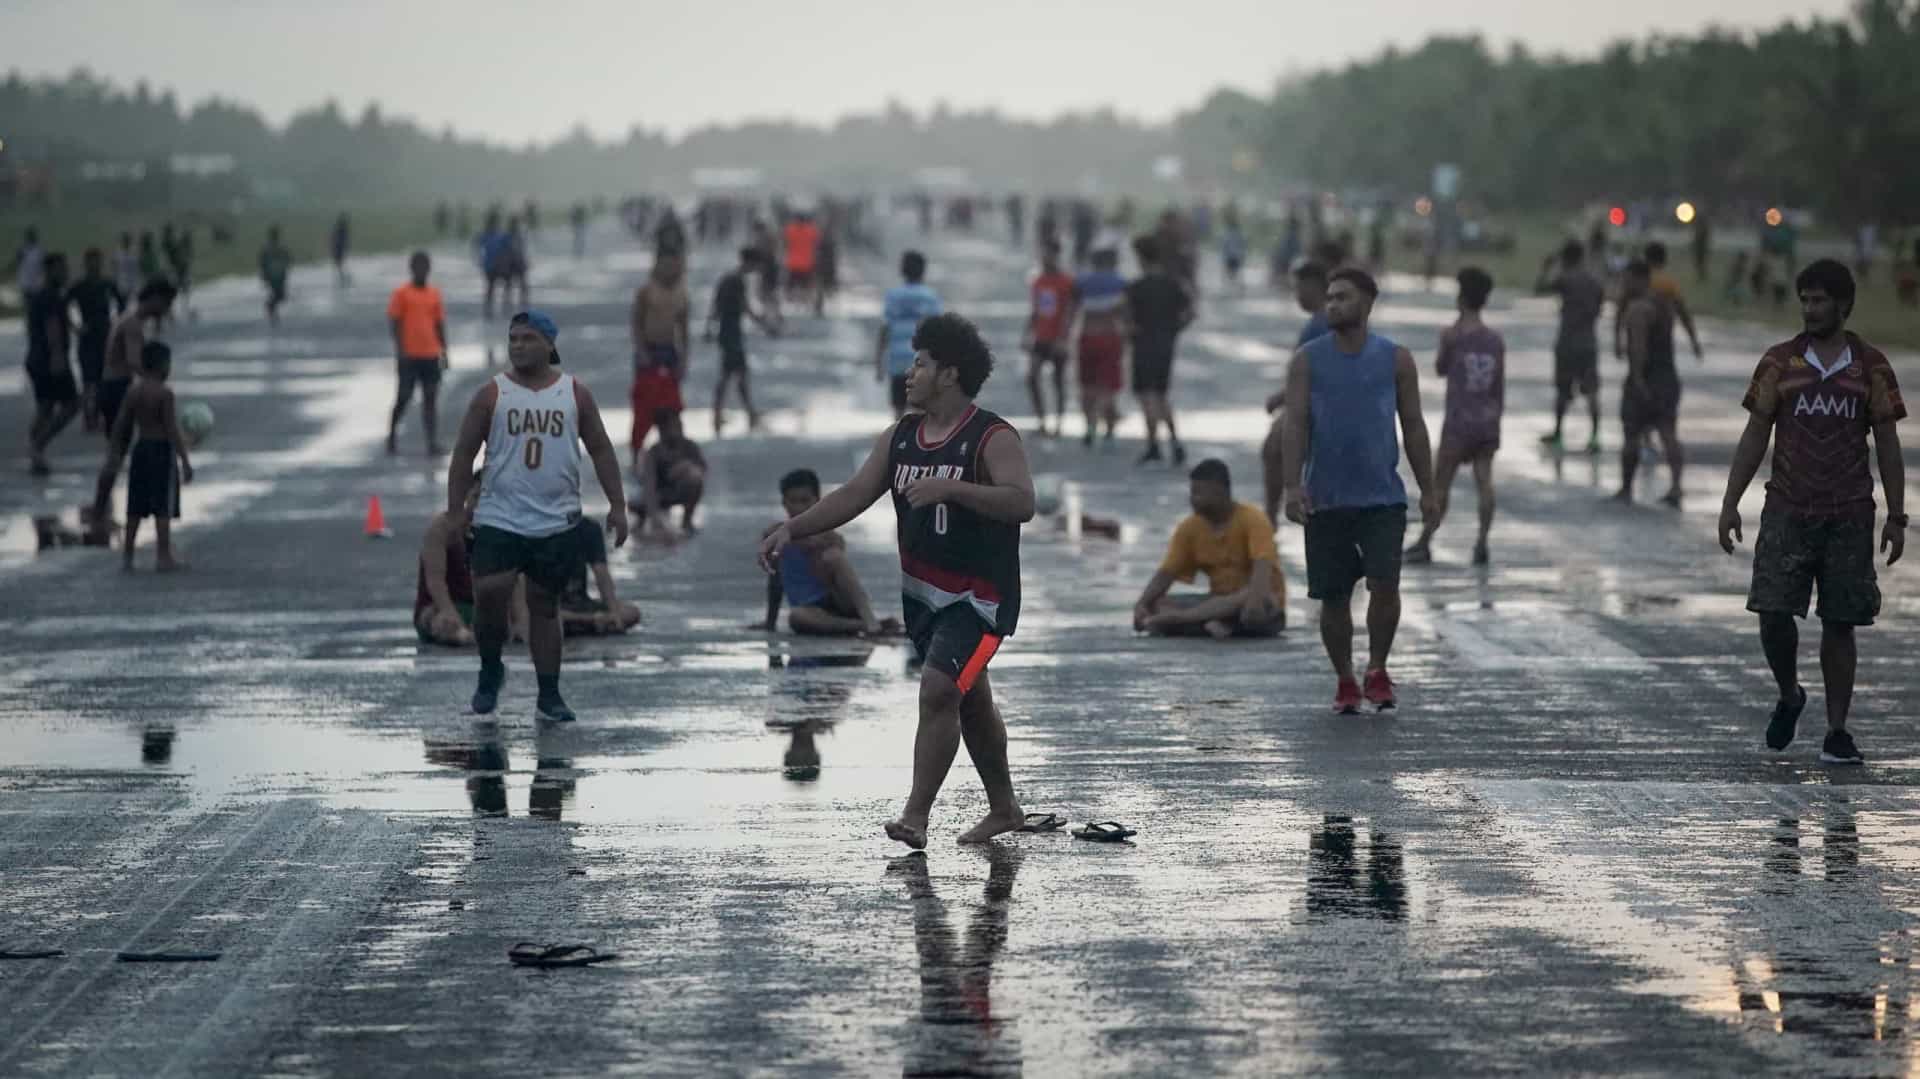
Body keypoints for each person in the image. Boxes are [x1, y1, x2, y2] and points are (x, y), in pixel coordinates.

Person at [759, 312, 1033, 848]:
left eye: (920, 363)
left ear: (949, 375)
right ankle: (1004, 808)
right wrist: (791, 529)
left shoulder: (992, 436)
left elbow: (1022, 502)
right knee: (968, 697)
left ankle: (915, 816)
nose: (909, 373)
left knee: (937, 691)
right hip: (925, 600)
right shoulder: (901, 438)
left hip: (982, 603)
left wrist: (953, 490)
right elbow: (851, 496)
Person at [1718, 259, 1905, 767]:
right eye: (1804, 299)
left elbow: (1888, 442)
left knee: (1840, 622)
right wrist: (1730, 502)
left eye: (1819, 300)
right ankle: (1789, 693)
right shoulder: (1779, 363)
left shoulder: (1871, 367)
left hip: (1848, 513)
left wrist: (1897, 514)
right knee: (1773, 612)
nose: (1810, 309)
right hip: (1787, 509)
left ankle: (1838, 731)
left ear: (1843, 305)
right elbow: (1755, 433)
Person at [447, 310, 629, 723]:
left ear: (550, 345)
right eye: (513, 339)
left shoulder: (574, 393)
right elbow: (463, 453)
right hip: (499, 515)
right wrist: (456, 509)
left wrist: (617, 505)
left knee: (544, 605)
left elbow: (601, 448)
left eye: (528, 339)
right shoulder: (491, 394)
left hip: (555, 518)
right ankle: (490, 669)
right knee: (490, 594)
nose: (518, 346)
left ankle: (549, 693)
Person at [1281, 269, 1436, 714]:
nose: (1332, 305)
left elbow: (1413, 425)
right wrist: (1293, 487)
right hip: (1325, 498)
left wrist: (1429, 490)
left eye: (1342, 298)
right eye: (1329, 298)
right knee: (1333, 598)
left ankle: (1378, 668)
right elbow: (1295, 424)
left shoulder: (1395, 359)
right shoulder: (1308, 360)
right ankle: (1346, 678)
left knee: (1385, 583)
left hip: (1382, 498)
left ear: (1368, 303)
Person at [1405, 267, 1504, 566]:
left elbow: (1440, 368)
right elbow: (1499, 383)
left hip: (1459, 421)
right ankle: (1482, 542)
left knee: (1439, 485)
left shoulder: (1452, 335)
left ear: (1461, 297)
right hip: (1487, 419)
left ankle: (1425, 542)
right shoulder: (1495, 340)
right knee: (1484, 481)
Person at [1133, 459, 1285, 639]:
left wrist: (1253, 601)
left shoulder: (1253, 519)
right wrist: (1142, 604)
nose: (1192, 499)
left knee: (1252, 606)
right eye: (1192, 492)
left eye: (1198, 493)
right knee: (1157, 604)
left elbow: (1262, 570)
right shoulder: (1190, 527)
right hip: (1215, 602)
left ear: (1221, 492)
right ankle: (1217, 625)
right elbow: (1166, 573)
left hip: (1256, 601)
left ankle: (1185, 621)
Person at [757, 468, 900, 637]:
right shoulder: (775, 536)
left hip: (838, 603)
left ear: (817, 501)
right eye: (793, 501)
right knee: (796, 617)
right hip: (810, 611)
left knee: (834, 556)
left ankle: (869, 620)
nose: (799, 507)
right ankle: (863, 625)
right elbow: (775, 581)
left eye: (805, 501)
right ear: (784, 503)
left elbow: (840, 573)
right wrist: (770, 622)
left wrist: (814, 547)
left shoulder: (828, 536)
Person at [104, 342, 194, 571]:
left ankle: (128, 556)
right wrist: (185, 460)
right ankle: (163, 556)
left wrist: (114, 451)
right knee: (162, 506)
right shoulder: (165, 393)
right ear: (162, 365)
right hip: (161, 451)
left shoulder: (134, 391)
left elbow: (121, 423)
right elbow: (172, 428)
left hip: (141, 449)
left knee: (135, 505)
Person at [1261, 260, 1332, 523]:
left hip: (1312, 406)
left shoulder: (1322, 323)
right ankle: (1272, 514)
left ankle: (1271, 515)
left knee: (1273, 448)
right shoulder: (1318, 320)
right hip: (1306, 401)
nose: (1297, 295)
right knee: (1273, 450)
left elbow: (1315, 371)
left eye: (1299, 288)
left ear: (1315, 286)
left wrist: (1282, 398)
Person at [1614, 260, 1685, 507]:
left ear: (1638, 279)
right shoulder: (1663, 303)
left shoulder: (1638, 309)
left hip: (1646, 378)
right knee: (1668, 432)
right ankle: (1676, 486)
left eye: (1626, 279)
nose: (1623, 284)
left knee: (1631, 433)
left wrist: (1636, 380)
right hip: (1668, 377)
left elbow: (1638, 348)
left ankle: (1626, 488)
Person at [1127, 234, 1196, 466]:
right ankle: (1175, 441)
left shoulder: (1136, 287)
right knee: (1162, 395)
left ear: (1141, 258)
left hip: (1143, 345)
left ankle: (1153, 444)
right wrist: (1175, 329)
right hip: (1166, 346)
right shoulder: (1173, 284)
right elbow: (1190, 312)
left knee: (1147, 396)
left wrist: (1131, 332)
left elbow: (1128, 322)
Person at [1535, 240, 1606, 454]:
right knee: (1592, 391)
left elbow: (1539, 288)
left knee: (1563, 390)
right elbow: (1599, 308)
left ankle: (1558, 433)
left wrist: (1546, 267)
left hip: (1567, 343)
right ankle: (1594, 436)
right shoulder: (1594, 282)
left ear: (1565, 259)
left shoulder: (1566, 279)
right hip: (1588, 343)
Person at [629, 252, 691, 465]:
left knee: (671, 407)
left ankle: (673, 454)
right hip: (649, 352)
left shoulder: (681, 294)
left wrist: (683, 358)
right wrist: (642, 351)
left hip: (669, 352)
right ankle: (636, 454)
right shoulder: (646, 291)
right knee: (644, 407)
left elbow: (683, 328)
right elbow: (636, 323)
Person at [706, 247, 777, 434]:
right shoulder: (736, 281)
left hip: (728, 332)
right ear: (750, 262)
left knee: (733, 374)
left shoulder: (729, 279)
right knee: (734, 375)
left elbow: (715, 305)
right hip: (731, 334)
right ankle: (734, 414)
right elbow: (744, 307)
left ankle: (729, 412)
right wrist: (764, 324)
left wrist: (709, 326)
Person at [386, 251, 449, 455]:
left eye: (425, 266)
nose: (422, 270)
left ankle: (431, 442)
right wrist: (400, 350)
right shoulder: (401, 294)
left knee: (430, 399)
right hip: (409, 356)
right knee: (404, 397)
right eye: (418, 266)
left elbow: (439, 324)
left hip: (430, 354)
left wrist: (444, 352)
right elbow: (395, 323)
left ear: (429, 269)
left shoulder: (434, 294)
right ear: (411, 269)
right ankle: (392, 435)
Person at [25, 252, 79, 476]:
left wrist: (77, 330)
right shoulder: (50, 296)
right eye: (61, 269)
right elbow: (52, 327)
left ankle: (37, 454)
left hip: (36, 360)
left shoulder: (46, 295)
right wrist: (58, 357)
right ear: (49, 271)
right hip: (49, 361)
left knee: (45, 407)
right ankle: (38, 447)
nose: (65, 272)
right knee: (72, 404)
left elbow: (61, 320)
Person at [416, 475, 481, 646]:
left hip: (478, 608)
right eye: (477, 497)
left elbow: (517, 580)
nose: (481, 504)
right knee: (442, 622)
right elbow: (435, 581)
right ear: (467, 497)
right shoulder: (442, 528)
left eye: (488, 498)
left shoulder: (500, 529)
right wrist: (449, 612)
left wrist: (520, 619)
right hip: (440, 606)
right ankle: (461, 633)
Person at [1072, 247, 1127, 447]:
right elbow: (1125, 315)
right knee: (1108, 387)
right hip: (1110, 337)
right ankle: (1109, 431)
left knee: (1087, 386)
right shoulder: (1120, 283)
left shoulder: (1081, 283)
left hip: (1087, 336)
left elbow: (1072, 311)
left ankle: (1089, 426)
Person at [66, 248, 125, 433]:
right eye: (91, 261)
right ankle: (88, 417)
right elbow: (63, 307)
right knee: (88, 380)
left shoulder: (107, 284)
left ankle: (99, 414)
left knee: (104, 379)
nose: (94, 265)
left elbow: (122, 303)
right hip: (88, 336)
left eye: (97, 261)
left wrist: (117, 323)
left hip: (106, 336)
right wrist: (75, 327)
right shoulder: (79, 286)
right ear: (86, 264)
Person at [877, 250, 942, 417]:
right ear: (923, 271)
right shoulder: (930, 297)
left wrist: (878, 361)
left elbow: (885, 328)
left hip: (897, 361)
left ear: (902, 270)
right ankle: (918, 442)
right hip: (922, 363)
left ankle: (899, 440)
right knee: (921, 410)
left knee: (899, 410)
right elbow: (938, 332)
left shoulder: (893, 296)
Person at [1022, 240, 1075, 438]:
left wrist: (1064, 338)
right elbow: (1035, 310)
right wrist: (1027, 333)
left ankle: (1059, 423)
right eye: (1043, 254)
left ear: (1056, 256)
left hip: (1058, 338)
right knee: (1031, 376)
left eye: (1049, 255)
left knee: (1058, 381)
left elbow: (1071, 311)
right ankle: (1042, 420)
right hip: (1041, 337)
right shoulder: (1037, 280)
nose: (1045, 258)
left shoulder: (1066, 281)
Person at [1617, 241, 1702, 362]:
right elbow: (1684, 314)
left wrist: (1617, 340)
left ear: (1645, 258)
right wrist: (1694, 342)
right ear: (1664, 260)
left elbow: (1620, 311)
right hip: (1662, 341)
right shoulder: (1669, 284)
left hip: (1637, 339)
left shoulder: (1636, 282)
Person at [559, 516, 641, 636]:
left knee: (631, 612)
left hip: (577, 603)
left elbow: (602, 574)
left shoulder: (587, 527)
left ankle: (588, 622)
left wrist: (613, 612)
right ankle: (591, 622)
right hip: (545, 606)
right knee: (539, 615)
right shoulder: (534, 528)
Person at [636, 408, 706, 538]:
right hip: (658, 493)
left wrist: (685, 468)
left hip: (678, 490)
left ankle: (687, 521)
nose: (679, 428)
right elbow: (649, 485)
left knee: (695, 478)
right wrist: (655, 518)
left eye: (679, 424)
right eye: (674, 425)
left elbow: (702, 469)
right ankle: (644, 524)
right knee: (640, 505)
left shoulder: (690, 446)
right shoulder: (654, 452)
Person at [782, 212, 821, 313]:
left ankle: (792, 301)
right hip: (807, 264)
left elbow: (785, 243)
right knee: (807, 286)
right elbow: (817, 243)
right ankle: (806, 302)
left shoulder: (790, 230)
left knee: (791, 286)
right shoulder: (812, 230)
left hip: (793, 263)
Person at [259, 226, 291, 326]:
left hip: (278, 274)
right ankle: (271, 310)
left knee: (281, 295)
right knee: (279, 294)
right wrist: (264, 275)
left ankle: (271, 309)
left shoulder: (276, 248)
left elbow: (287, 259)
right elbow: (263, 263)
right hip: (273, 275)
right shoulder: (269, 249)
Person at [14, 227, 45, 305]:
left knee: (35, 303)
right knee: (28, 303)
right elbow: (17, 263)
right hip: (26, 282)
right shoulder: (22, 250)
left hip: (36, 283)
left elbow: (43, 266)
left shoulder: (40, 251)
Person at [113, 232, 140, 298]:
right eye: (125, 240)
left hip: (133, 284)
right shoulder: (118, 254)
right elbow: (115, 269)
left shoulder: (134, 253)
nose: (126, 242)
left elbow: (137, 269)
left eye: (128, 241)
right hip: (122, 284)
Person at [330, 212, 351, 286]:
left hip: (338, 247)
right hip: (339, 247)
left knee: (339, 263)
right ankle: (342, 276)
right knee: (340, 263)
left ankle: (342, 277)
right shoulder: (343, 229)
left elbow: (335, 238)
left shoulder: (340, 229)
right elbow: (344, 239)